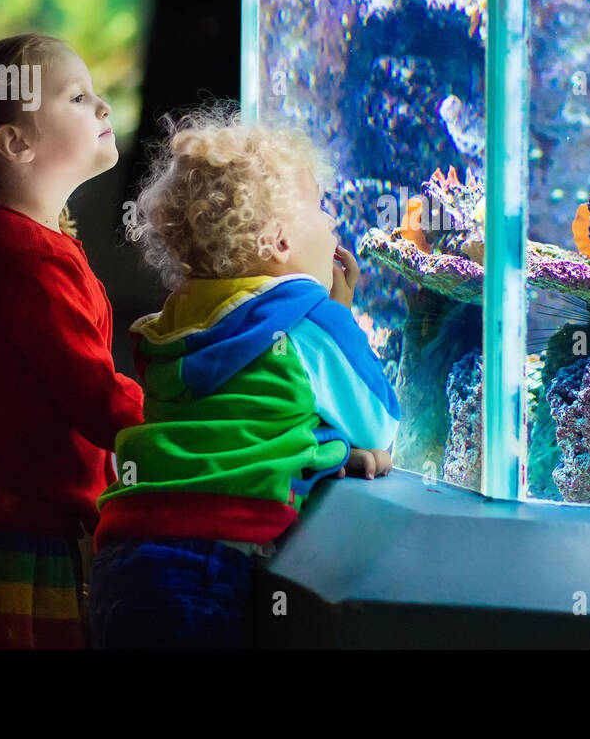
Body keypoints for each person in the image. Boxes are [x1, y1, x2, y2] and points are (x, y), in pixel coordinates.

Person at [89, 106, 399, 649]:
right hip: (210, 559)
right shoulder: (307, 314)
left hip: (125, 546)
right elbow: (379, 426)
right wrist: (341, 317)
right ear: (280, 242)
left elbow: (241, 412)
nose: (331, 222)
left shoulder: (175, 319)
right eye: (320, 208)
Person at [0, 33, 144, 648]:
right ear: (16, 143)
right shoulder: (31, 258)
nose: (104, 108)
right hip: (13, 538)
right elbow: (91, 395)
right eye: (78, 97)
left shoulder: (8, 236)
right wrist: (179, 419)